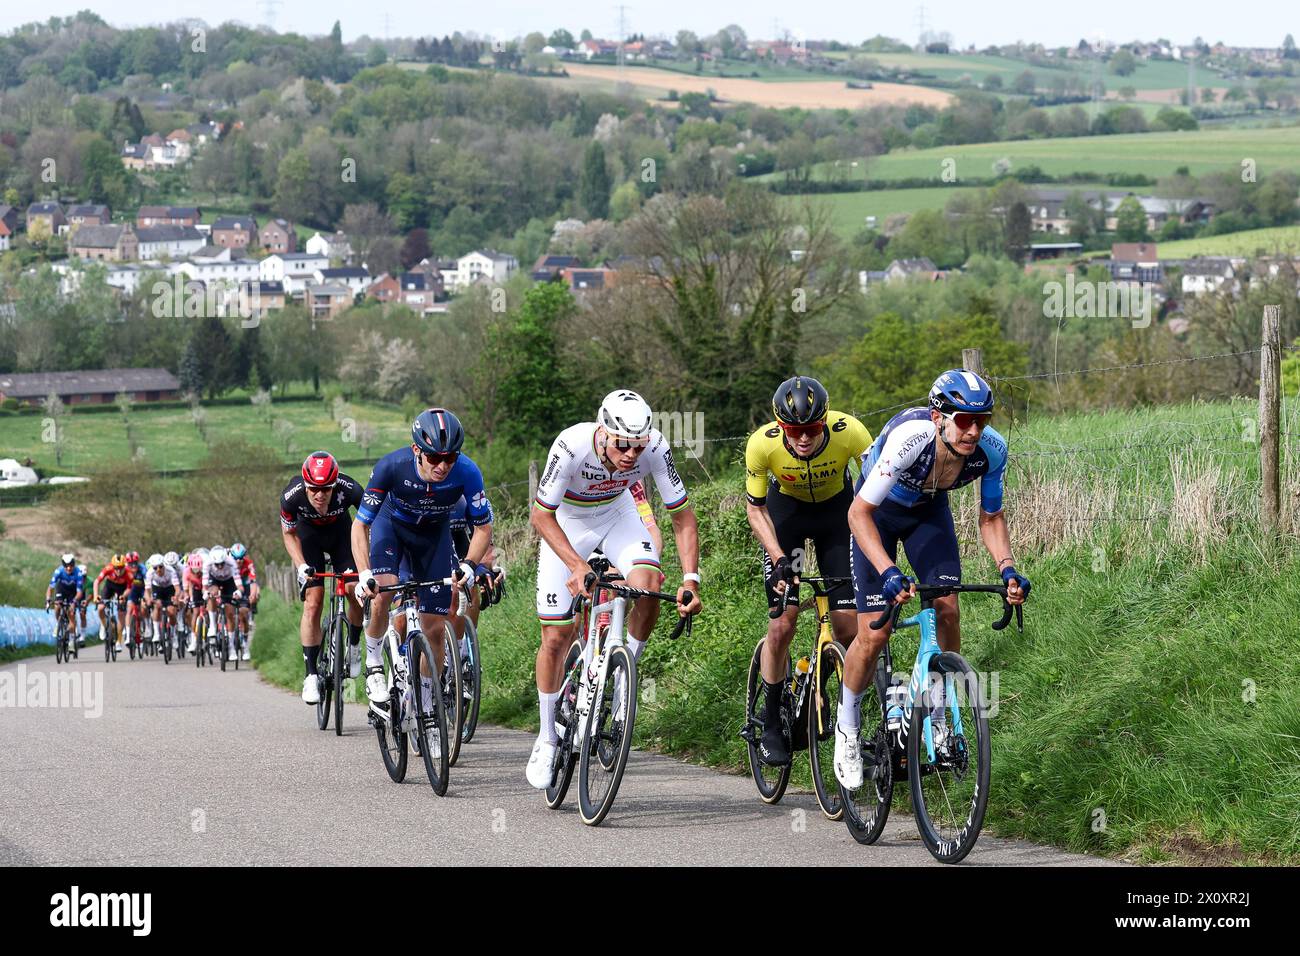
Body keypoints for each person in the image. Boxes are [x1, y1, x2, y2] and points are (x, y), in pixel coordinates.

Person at [835, 369, 1030, 788]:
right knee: (874, 632)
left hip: (928, 511)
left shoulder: (991, 452)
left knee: (947, 608)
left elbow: (991, 516)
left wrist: (1008, 569)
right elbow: (858, 514)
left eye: (983, 420)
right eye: (964, 420)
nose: (974, 431)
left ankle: (937, 714)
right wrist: (888, 571)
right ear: (939, 416)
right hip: (877, 512)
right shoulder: (913, 438)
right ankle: (847, 728)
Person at [525, 389, 702, 789]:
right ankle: (548, 736)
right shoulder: (571, 445)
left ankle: (622, 672)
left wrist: (691, 579)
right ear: (603, 433)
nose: (630, 456)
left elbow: (682, 517)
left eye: (638, 447)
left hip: (617, 514)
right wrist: (576, 565)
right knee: (554, 637)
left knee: (648, 583)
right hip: (567, 524)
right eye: (623, 445)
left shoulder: (655, 446)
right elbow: (540, 515)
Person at [351, 409, 495, 761]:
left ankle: (430, 715)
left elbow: (483, 528)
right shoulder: (391, 467)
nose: (443, 465)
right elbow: (360, 527)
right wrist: (363, 573)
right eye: (435, 457)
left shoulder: (467, 472)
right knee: (384, 591)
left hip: (433, 536)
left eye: (450, 457)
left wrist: (470, 565)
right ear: (418, 451)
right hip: (391, 529)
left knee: (434, 627)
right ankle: (372, 664)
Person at [743, 375, 872, 766]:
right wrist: (779, 556)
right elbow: (756, 508)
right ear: (781, 426)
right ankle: (769, 721)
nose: (803, 438)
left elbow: (877, 491)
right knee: (784, 622)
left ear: (825, 421)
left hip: (837, 516)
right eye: (795, 431)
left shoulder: (850, 432)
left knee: (849, 627)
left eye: (812, 430)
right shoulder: (761, 444)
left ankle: (824, 684)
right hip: (789, 520)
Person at [281, 451, 366, 703]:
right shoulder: (291, 496)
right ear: (305, 485)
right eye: (314, 489)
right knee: (313, 600)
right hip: (310, 540)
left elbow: (368, 524)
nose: (320, 495)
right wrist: (301, 565)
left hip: (342, 535)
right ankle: (310, 676)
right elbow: (289, 534)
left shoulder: (351, 490)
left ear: (335, 484)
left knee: (354, 590)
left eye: (326, 489)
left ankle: (352, 645)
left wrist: (367, 563)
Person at [202, 545, 244, 661]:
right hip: (214, 581)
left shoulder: (231, 563)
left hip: (229, 582)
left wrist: (238, 592)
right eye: (217, 565)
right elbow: (205, 585)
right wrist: (205, 592)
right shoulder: (207, 564)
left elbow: (239, 584)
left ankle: (231, 648)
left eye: (222, 564)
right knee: (212, 593)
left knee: (230, 613)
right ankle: (213, 627)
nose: (220, 566)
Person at [92, 554, 134, 652]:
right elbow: (97, 582)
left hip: (122, 589)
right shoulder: (108, 569)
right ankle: (103, 625)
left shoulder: (129, 573)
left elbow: (129, 588)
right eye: (116, 568)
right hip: (109, 587)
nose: (118, 571)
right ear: (113, 566)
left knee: (121, 614)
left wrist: (123, 596)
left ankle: (119, 641)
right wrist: (95, 595)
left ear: (124, 566)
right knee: (100, 608)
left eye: (120, 568)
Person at [142, 554, 182, 651]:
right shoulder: (150, 573)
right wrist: (149, 599)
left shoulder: (171, 571)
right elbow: (147, 590)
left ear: (164, 565)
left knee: (172, 612)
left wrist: (175, 597)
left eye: (160, 567)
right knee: (157, 605)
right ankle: (156, 633)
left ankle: (173, 634)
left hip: (169, 589)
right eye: (155, 568)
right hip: (157, 589)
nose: (158, 570)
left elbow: (177, 588)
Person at [45, 553, 85, 647]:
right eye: (66, 566)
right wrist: (48, 599)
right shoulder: (58, 571)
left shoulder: (78, 573)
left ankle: (71, 640)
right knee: (57, 606)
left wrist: (74, 602)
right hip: (61, 589)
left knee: (71, 613)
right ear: (63, 566)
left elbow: (79, 592)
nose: (69, 568)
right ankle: (58, 623)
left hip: (73, 592)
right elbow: (50, 588)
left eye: (71, 566)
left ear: (74, 565)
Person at [229, 542, 259, 659]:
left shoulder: (249, 564)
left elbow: (253, 582)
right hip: (231, 586)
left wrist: (252, 595)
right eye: (235, 558)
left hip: (245, 588)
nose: (238, 561)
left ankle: (245, 645)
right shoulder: (228, 564)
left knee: (244, 614)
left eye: (241, 558)